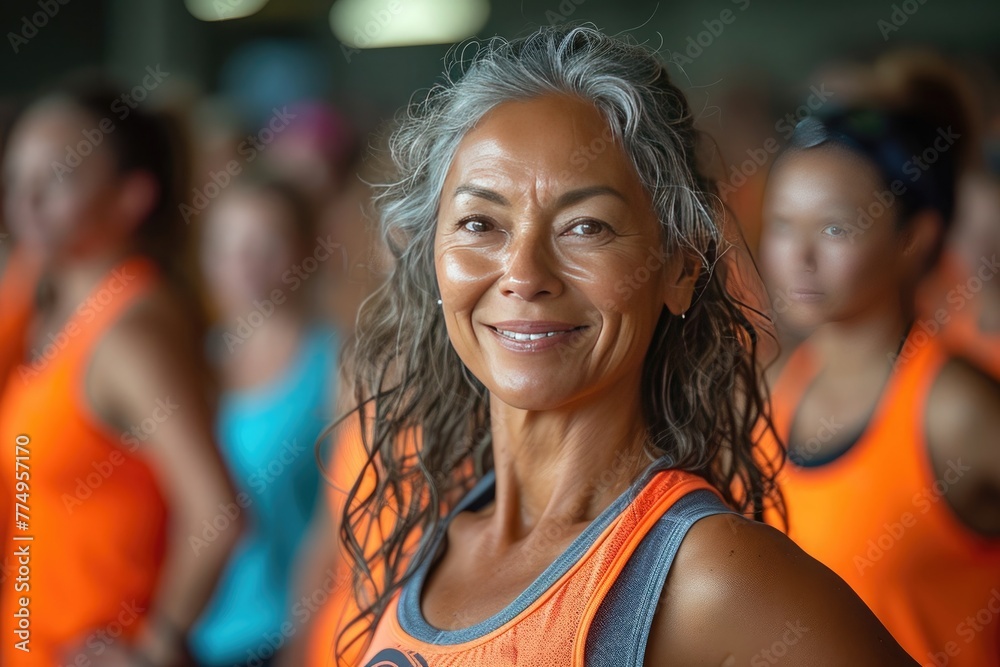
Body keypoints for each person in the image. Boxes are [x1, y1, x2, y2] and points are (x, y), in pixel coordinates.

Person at [329, 26, 917, 666]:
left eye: (586, 227)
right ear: (433, 258)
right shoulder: (432, 535)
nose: (524, 274)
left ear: (680, 267)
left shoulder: (706, 578)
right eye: (479, 223)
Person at [0, 77, 239, 666]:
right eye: (15, 178)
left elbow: (218, 514)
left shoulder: (129, 335)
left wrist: (156, 645)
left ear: (132, 197)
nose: (26, 200)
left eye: (56, 178)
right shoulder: (51, 302)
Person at [759, 107, 1000, 665]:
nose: (799, 257)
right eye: (782, 225)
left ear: (913, 237)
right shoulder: (768, 395)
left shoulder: (954, 409)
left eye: (834, 228)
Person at [188, 175, 339, 667]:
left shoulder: (338, 365)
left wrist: (301, 643)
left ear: (307, 248)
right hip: (183, 628)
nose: (244, 265)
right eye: (227, 247)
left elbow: (337, 524)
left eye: (265, 245)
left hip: (278, 638)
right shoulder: (191, 361)